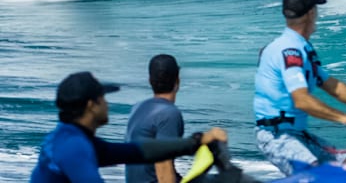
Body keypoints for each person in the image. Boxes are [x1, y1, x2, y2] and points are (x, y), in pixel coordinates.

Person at [253, 0, 346, 175]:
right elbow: (302, 100)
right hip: (279, 137)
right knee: (318, 177)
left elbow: (332, 86)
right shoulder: (290, 50)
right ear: (311, 13)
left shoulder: (300, 47)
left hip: (298, 135)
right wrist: (345, 118)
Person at [30, 71, 226, 183]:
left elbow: (138, 151)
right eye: (103, 98)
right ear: (91, 105)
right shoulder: (73, 146)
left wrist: (195, 142)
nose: (107, 104)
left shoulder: (70, 138)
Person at [125, 54, 184, 183]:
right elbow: (163, 170)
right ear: (177, 81)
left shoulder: (137, 108)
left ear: (150, 80)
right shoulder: (169, 114)